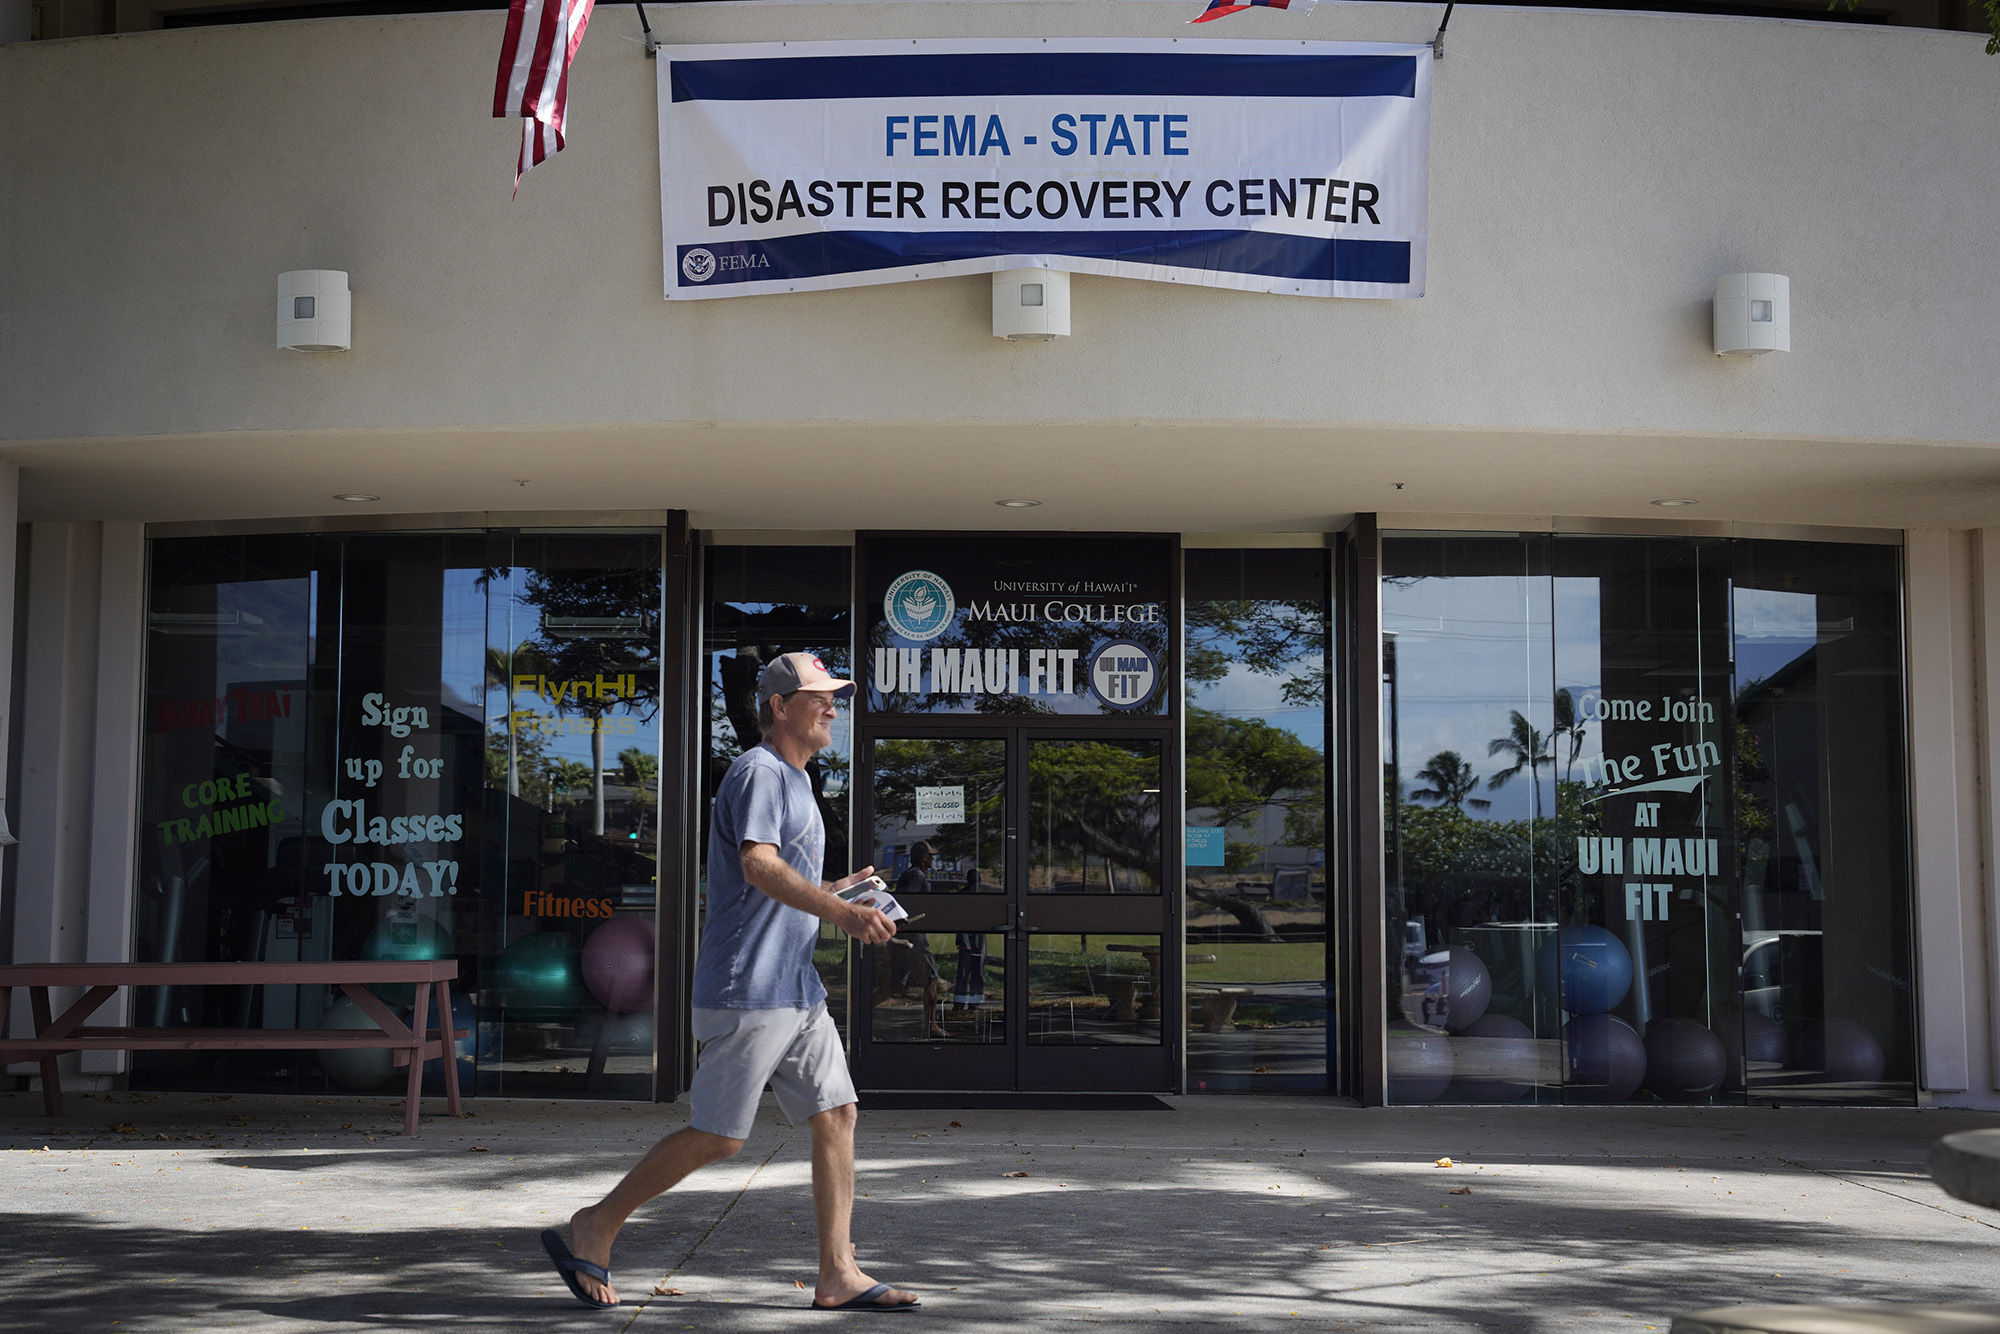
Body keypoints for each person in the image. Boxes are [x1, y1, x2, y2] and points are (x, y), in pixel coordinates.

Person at [540, 652, 921, 1313]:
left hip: (796, 986)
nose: (832, 707)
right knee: (720, 1134)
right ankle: (596, 1222)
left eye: (834, 696)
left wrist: (838, 891)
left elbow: (779, 882)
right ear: (779, 706)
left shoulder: (798, 780)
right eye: (819, 696)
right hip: (750, 986)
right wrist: (840, 914)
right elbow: (757, 866)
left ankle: (838, 1272)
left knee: (837, 1113)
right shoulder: (759, 772)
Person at [894, 843, 946, 1038]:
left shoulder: (910, 874)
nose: (932, 859)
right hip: (914, 936)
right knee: (931, 979)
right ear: (923, 856)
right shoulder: (917, 876)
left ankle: (863, 1016)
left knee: (897, 984)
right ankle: (932, 1026)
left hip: (907, 935)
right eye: (930, 855)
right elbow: (909, 905)